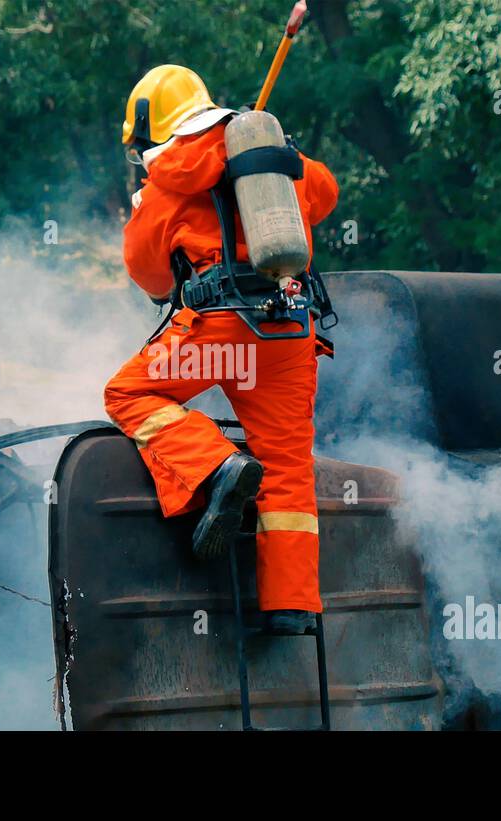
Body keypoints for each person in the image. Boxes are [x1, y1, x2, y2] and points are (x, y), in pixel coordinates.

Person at [103, 64, 339, 635]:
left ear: (153, 133)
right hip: (288, 333)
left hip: (219, 337)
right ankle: (292, 605)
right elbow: (326, 195)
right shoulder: (275, 154)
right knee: (286, 466)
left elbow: (149, 275)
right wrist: (277, 166)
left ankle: (215, 466)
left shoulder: (164, 186)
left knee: (129, 392)